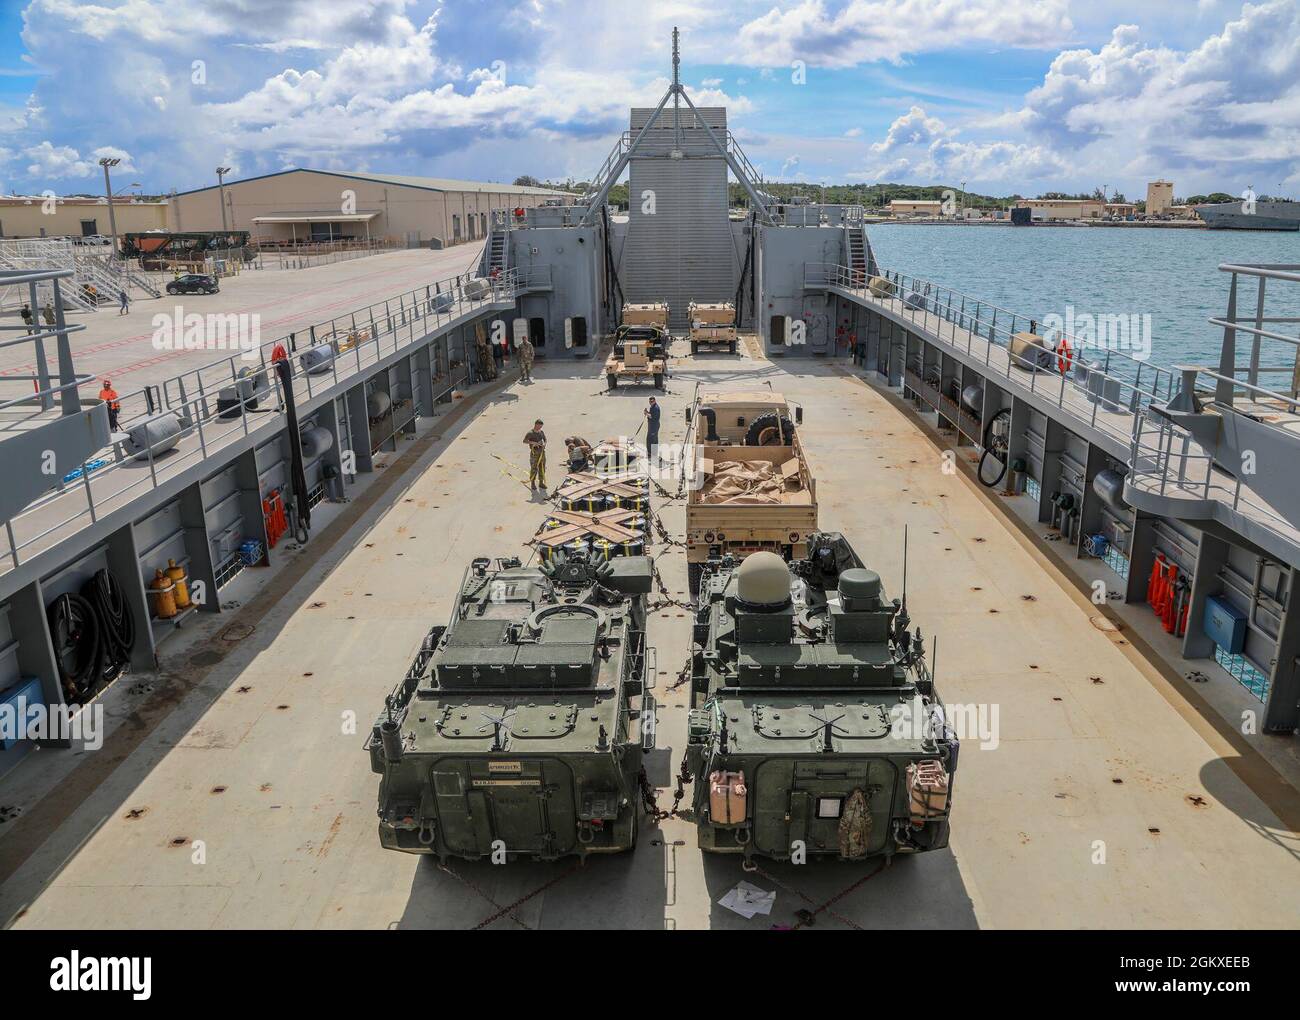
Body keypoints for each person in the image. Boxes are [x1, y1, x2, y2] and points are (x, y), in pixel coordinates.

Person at [524, 419, 547, 491]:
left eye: (541, 426)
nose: (540, 428)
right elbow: (524, 441)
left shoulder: (541, 432)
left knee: (542, 467)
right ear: (536, 424)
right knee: (534, 468)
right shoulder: (530, 433)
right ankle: (532, 483)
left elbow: (545, 439)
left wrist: (544, 444)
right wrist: (533, 443)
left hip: (542, 452)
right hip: (534, 453)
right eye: (539, 426)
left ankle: (541, 482)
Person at [644, 396, 660, 461]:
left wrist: (646, 413)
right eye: (650, 402)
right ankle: (653, 454)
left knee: (650, 440)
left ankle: (651, 455)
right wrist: (647, 412)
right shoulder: (653, 407)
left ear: (655, 401)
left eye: (652, 401)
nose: (651, 403)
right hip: (653, 426)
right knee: (654, 440)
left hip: (654, 426)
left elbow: (652, 417)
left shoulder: (655, 408)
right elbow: (651, 415)